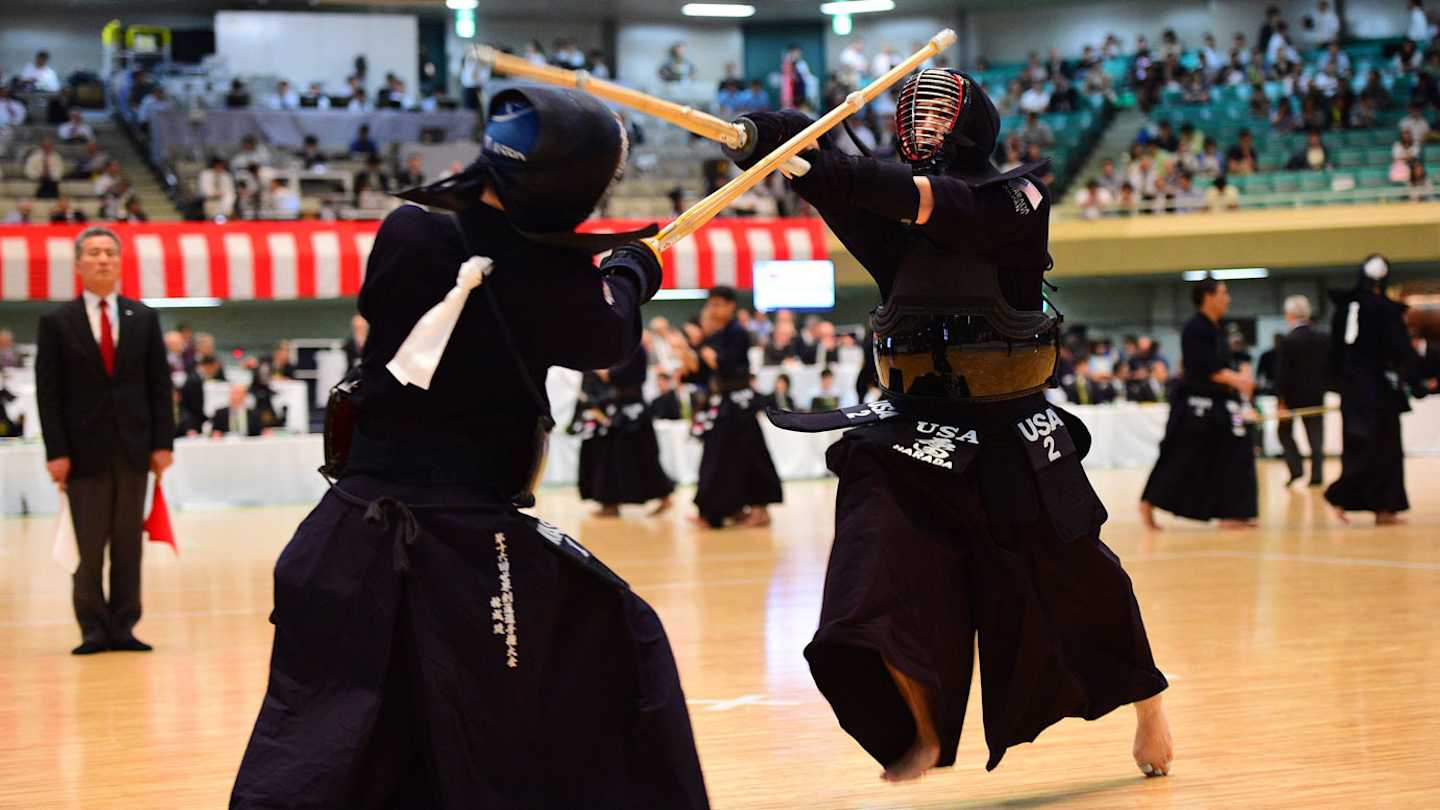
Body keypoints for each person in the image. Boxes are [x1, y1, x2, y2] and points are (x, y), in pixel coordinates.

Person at [230, 85, 708, 809]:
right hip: (459, 539)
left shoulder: (407, 229)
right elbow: (607, 336)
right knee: (616, 647)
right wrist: (632, 269)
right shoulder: (549, 277)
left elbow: (448, 271)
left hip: (344, 536)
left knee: (338, 733)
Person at [724, 69, 1171, 782]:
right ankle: (913, 716)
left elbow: (911, 195)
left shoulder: (1015, 198)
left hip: (1011, 426)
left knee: (1080, 578)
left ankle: (1149, 704)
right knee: (875, 536)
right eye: (914, 113)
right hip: (915, 422)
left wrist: (824, 165)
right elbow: (834, 176)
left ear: (973, 124)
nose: (923, 125)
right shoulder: (895, 225)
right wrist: (776, 141)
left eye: (938, 114)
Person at [36, 228, 174, 655]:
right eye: (94, 253)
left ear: (119, 262)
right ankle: (93, 628)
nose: (103, 260)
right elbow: (48, 393)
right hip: (82, 453)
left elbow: (158, 384)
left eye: (110, 253)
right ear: (79, 264)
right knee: (89, 546)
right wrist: (56, 452)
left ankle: (125, 625)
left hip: (134, 449)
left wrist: (163, 444)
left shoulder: (143, 317)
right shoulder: (57, 322)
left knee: (129, 545)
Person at [1140, 278, 1258, 530]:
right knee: (1181, 456)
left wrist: (1240, 379)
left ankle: (1232, 512)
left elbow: (1225, 364)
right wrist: (1238, 380)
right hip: (1195, 406)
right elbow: (1204, 366)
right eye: (1223, 293)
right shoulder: (1196, 328)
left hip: (1221, 403)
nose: (1228, 299)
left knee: (1235, 452)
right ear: (1208, 297)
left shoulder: (1217, 328)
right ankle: (1149, 502)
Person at [1324, 255, 1425, 525]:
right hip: (1379, 391)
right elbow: (1401, 350)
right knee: (1385, 448)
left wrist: (1338, 385)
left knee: (1357, 445)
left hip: (1352, 392)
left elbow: (1334, 353)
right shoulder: (1384, 310)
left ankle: (1344, 499)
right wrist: (1417, 383)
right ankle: (1383, 507)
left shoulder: (1345, 308)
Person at [691, 286, 783, 528]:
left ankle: (760, 509)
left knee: (750, 452)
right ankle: (725, 509)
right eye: (711, 304)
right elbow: (703, 374)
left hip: (740, 402)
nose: (713, 309)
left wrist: (709, 354)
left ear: (731, 306)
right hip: (721, 401)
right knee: (720, 456)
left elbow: (727, 365)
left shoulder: (738, 332)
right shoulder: (716, 335)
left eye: (718, 304)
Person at [577, 344, 675, 517]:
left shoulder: (636, 350)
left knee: (643, 455)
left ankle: (664, 496)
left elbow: (617, 375)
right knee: (612, 456)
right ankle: (611, 502)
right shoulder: (624, 348)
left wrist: (601, 371)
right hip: (620, 406)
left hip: (634, 411)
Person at [1274, 295, 1331, 487]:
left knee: (1284, 432)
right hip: (1316, 394)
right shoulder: (1323, 338)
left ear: (1289, 315)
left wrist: (1280, 399)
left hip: (1291, 397)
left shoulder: (1288, 340)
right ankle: (1317, 475)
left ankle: (1296, 468)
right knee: (1316, 437)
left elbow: (1282, 372)